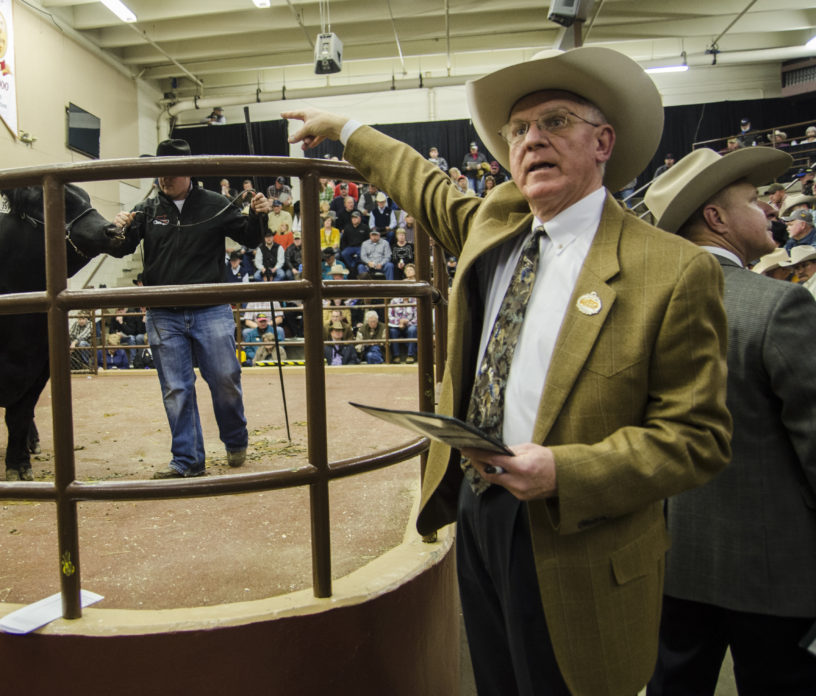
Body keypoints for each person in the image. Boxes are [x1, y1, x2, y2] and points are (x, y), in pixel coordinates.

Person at [283, 44, 731, 695]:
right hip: (479, 502)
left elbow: (699, 440)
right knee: (497, 678)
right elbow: (424, 185)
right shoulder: (495, 223)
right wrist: (346, 130)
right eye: (518, 130)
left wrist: (563, 471)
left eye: (554, 122)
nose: (530, 140)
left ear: (604, 140)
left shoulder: (672, 268)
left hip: (578, 528)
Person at [644, 144, 816, 694]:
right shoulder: (777, 306)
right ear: (716, 219)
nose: (770, 208)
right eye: (754, 199)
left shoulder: (640, 311)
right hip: (775, 572)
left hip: (670, 563)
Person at [112, 139, 271, 478]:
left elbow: (250, 238)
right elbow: (122, 247)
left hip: (210, 307)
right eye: (158, 171)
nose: (162, 178)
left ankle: (235, 437)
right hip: (163, 311)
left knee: (225, 378)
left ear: (187, 172)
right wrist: (119, 227)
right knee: (176, 388)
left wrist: (258, 215)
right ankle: (187, 460)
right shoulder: (147, 209)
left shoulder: (215, 203)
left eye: (168, 171)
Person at [338, 210, 369, 276]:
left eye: (356, 218)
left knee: (360, 254)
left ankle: (353, 266)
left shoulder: (365, 227)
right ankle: (352, 266)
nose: (354, 219)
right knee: (344, 253)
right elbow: (343, 240)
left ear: (360, 218)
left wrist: (365, 248)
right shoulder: (347, 227)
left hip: (361, 247)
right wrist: (344, 248)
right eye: (353, 218)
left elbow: (368, 240)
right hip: (350, 247)